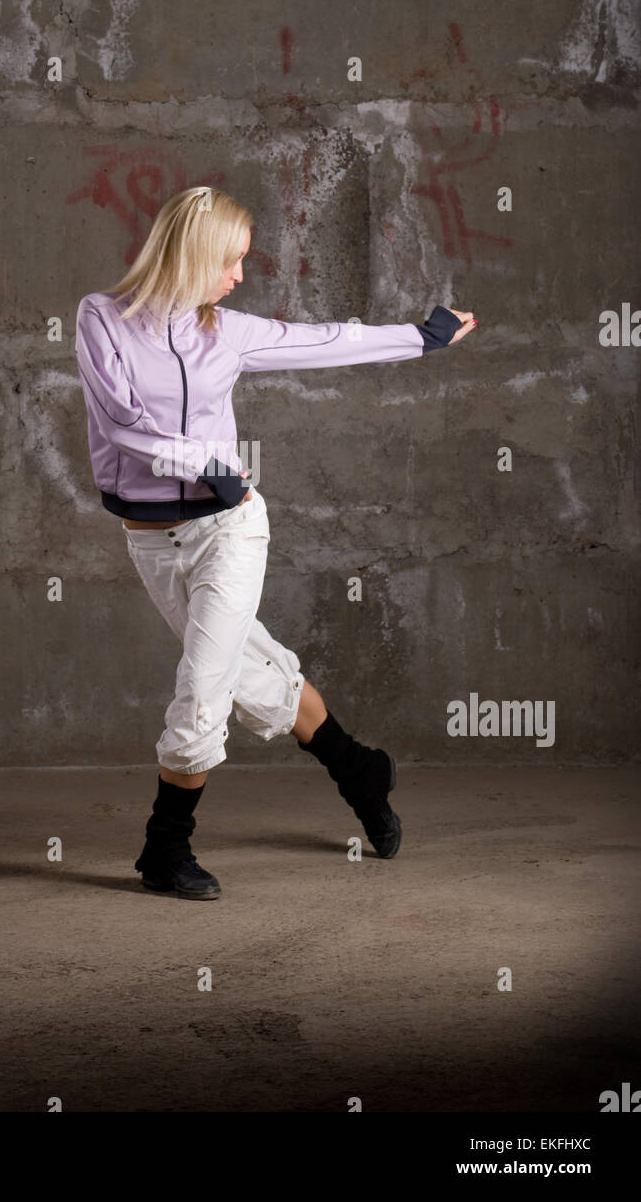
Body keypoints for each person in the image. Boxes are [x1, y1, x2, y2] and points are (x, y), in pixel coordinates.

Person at [74, 187, 476, 900]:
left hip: (228, 528)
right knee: (249, 679)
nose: (236, 277)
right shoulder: (100, 319)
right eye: (230, 261)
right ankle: (357, 768)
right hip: (152, 542)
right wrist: (208, 464)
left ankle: (163, 850)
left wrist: (421, 336)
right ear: (195, 255)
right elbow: (120, 425)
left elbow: (327, 340)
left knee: (201, 693)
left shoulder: (226, 332)